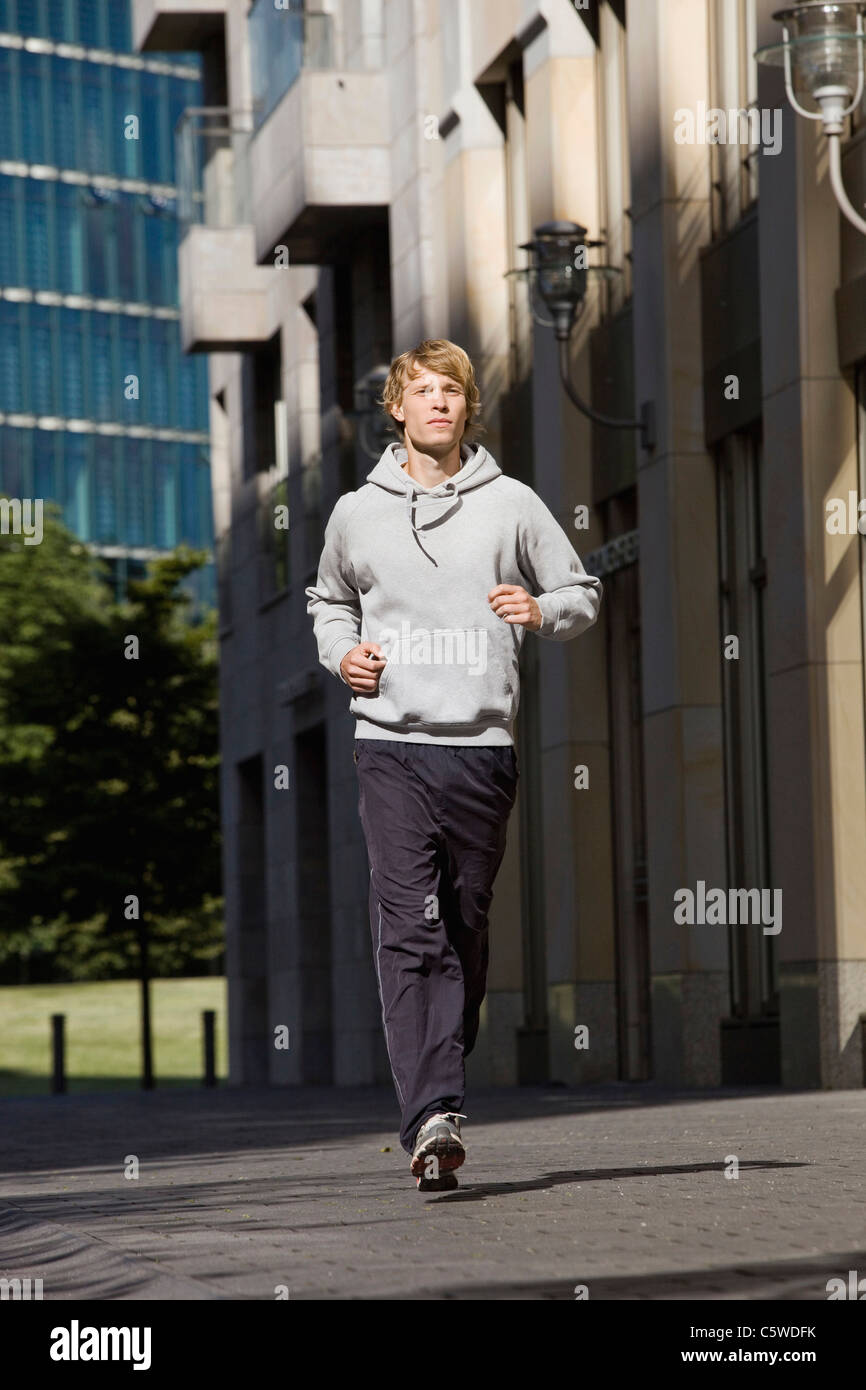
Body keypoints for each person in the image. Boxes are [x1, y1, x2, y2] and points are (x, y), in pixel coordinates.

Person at [306, 338, 602, 1190]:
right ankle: (431, 1117)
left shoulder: (510, 503)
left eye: (453, 392)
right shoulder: (356, 512)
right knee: (409, 927)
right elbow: (328, 599)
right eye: (422, 391)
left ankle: (450, 1029)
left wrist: (539, 608)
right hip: (389, 744)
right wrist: (342, 656)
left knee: (464, 923)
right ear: (395, 407)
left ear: (468, 409)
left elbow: (581, 591)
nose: (438, 403)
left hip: (479, 750)